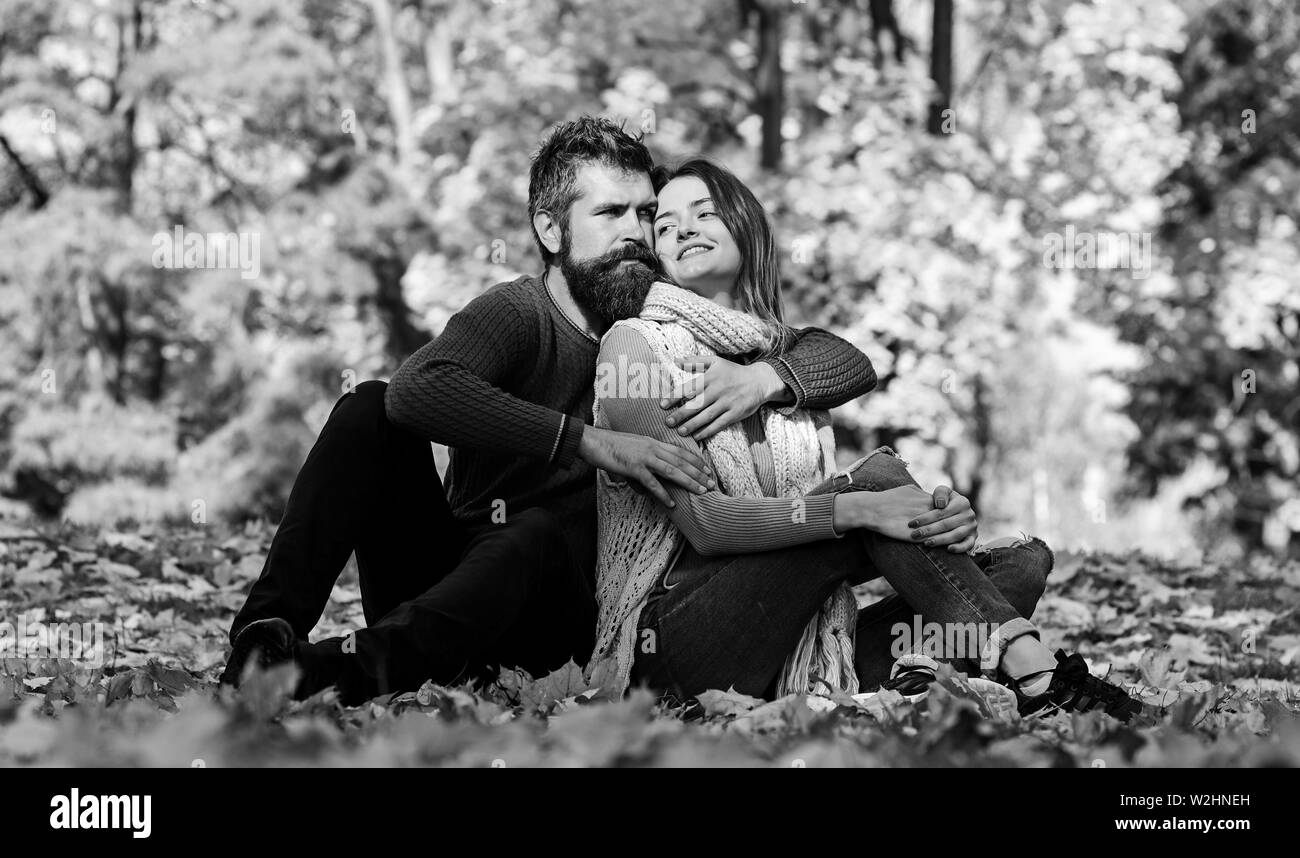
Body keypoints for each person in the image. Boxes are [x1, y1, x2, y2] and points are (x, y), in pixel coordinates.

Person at [217, 117, 875, 705]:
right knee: (366, 409)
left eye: (647, 214)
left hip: (558, 628)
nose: (637, 233)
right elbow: (415, 391)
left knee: (535, 535)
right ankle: (260, 646)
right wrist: (587, 441)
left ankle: (316, 676)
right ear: (550, 229)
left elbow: (840, 355)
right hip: (445, 589)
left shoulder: (668, 316)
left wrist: (766, 378)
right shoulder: (520, 313)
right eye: (610, 213)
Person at [588, 158, 1143, 722]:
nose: (681, 229)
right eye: (665, 225)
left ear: (746, 227)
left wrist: (930, 521)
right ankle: (1038, 674)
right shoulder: (636, 349)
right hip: (678, 647)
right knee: (873, 490)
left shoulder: (778, 352)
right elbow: (708, 526)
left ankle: (921, 674)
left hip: (792, 646)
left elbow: (854, 362)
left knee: (1022, 564)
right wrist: (862, 508)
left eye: (703, 213)